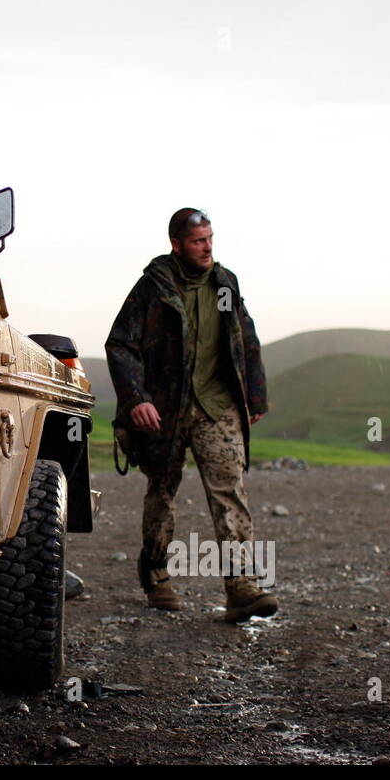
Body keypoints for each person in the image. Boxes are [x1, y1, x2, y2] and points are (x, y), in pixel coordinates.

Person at [104, 208, 278, 621]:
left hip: (217, 405)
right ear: (177, 244)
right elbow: (120, 345)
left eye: (211, 239)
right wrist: (136, 399)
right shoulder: (153, 287)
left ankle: (242, 587)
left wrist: (254, 396)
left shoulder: (224, 282)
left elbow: (245, 337)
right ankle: (157, 573)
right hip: (165, 409)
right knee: (163, 492)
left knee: (229, 490)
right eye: (199, 241)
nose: (208, 248)